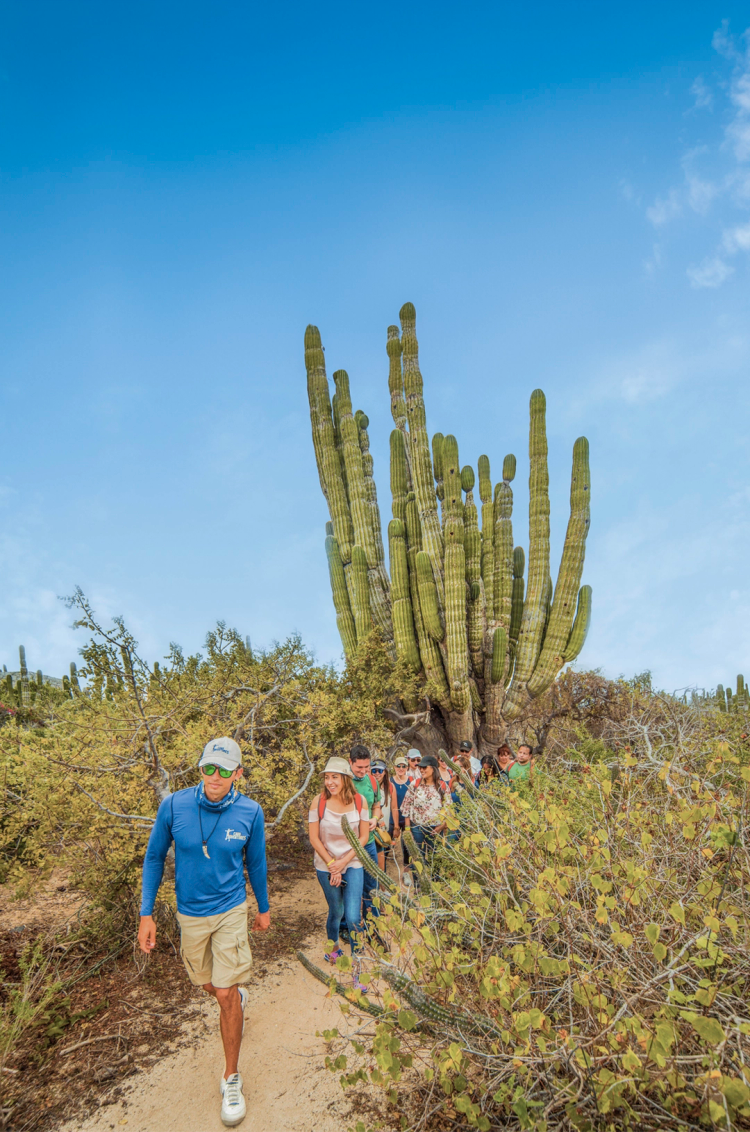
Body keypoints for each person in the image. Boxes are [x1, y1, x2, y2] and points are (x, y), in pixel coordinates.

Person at [138, 737, 270, 1128]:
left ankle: (231, 1077)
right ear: (200, 768)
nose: (216, 776)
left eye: (225, 770)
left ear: (238, 773)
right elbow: (154, 857)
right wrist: (147, 914)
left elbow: (257, 863)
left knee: (225, 992)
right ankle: (235, 997)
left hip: (230, 909)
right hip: (190, 915)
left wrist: (262, 908)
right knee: (207, 984)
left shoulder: (250, 811)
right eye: (209, 768)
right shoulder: (174, 805)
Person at [308, 757, 370, 988]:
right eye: (326, 777)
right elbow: (314, 838)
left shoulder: (359, 801)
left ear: (345, 777)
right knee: (337, 910)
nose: (330, 782)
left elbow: (363, 837)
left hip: (352, 863)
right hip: (326, 864)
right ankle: (332, 947)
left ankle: (358, 969)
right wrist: (332, 863)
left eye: (334, 777)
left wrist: (343, 862)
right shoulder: (319, 802)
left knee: (353, 917)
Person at [346, 745, 382, 929]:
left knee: (372, 885)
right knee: (347, 888)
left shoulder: (372, 781)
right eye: (359, 767)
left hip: (367, 842)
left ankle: (373, 925)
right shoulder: (342, 781)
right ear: (350, 762)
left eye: (366, 767)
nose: (363, 771)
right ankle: (347, 926)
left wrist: (375, 819)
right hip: (346, 845)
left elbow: (377, 805)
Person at [401, 755, 448, 869]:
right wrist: (408, 829)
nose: (421, 770)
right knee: (417, 858)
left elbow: (448, 808)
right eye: (420, 767)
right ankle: (418, 884)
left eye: (424, 767)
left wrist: (441, 827)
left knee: (435, 857)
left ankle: (435, 882)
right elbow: (406, 806)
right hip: (417, 827)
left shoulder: (442, 786)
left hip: (435, 829)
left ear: (433, 768)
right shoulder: (415, 785)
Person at [371, 759, 400, 871]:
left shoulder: (390, 787)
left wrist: (396, 826)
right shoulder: (368, 786)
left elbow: (394, 808)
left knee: (383, 855)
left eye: (380, 770)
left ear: (384, 772)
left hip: (385, 827)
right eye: (374, 770)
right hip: (371, 826)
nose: (377, 773)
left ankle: (382, 883)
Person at [391, 755, 411, 872]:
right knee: (388, 840)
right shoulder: (390, 781)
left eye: (403, 766)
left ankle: (406, 869)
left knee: (407, 844)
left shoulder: (411, 781)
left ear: (407, 768)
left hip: (407, 817)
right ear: (394, 767)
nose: (401, 768)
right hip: (393, 817)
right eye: (398, 766)